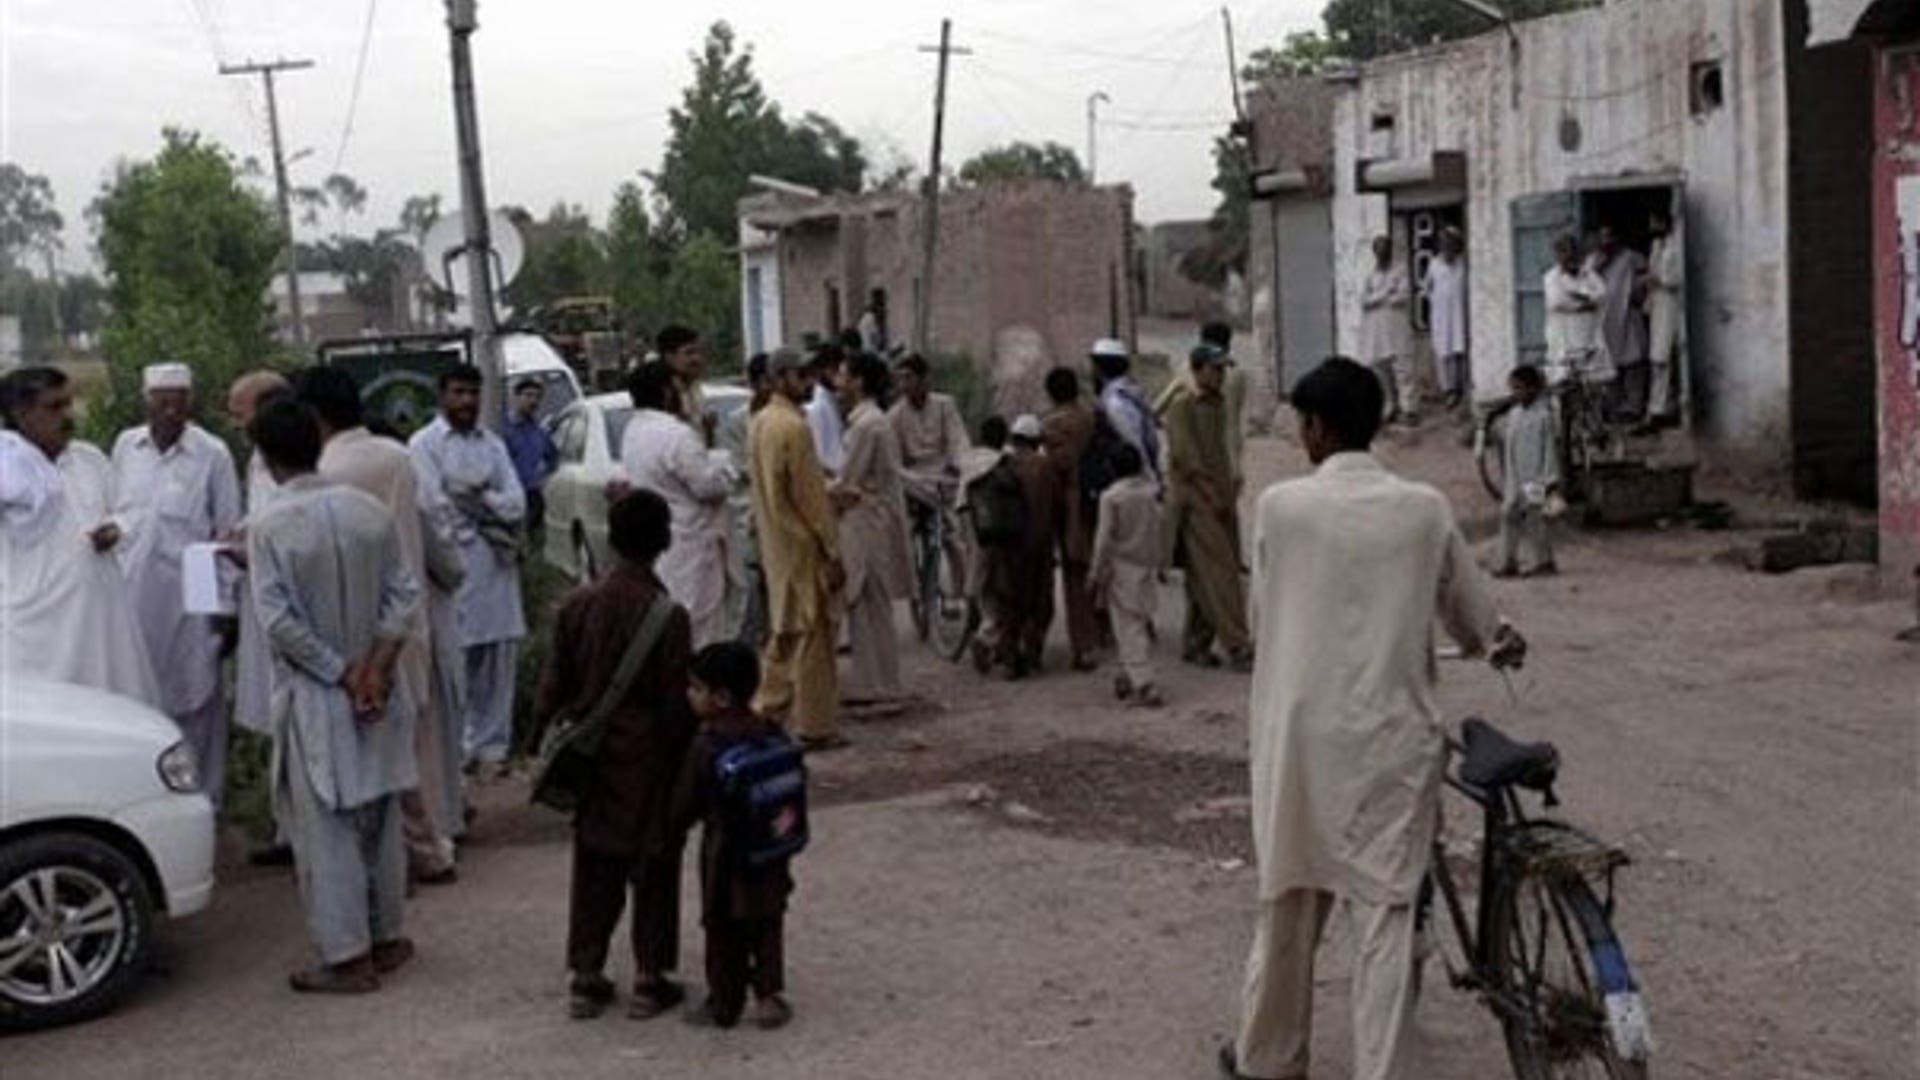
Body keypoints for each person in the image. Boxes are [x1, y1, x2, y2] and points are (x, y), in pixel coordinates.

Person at [1223, 356, 1525, 1080]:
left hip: (1297, 741)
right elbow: (1469, 610)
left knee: (1289, 897)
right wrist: (1495, 639)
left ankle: (1269, 1058)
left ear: (1318, 429)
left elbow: (1266, 616)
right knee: (1385, 916)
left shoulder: (1279, 509)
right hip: (1391, 740)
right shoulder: (1423, 508)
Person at [246, 398, 422, 994]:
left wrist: (343, 672)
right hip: (379, 687)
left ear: (266, 459)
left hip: (322, 695)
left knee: (328, 829)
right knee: (379, 815)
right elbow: (404, 596)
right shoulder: (368, 512)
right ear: (318, 442)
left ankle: (348, 957)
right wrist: (376, 665)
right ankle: (386, 936)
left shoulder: (269, 526)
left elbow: (280, 623)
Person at [536, 489, 697, 1022]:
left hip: (594, 755)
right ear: (664, 541)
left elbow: (554, 684)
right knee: (654, 863)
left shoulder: (579, 604)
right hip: (649, 756)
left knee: (596, 863)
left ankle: (586, 974)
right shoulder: (668, 616)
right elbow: (677, 704)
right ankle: (651, 978)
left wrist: (541, 738)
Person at [298, 366, 458, 885]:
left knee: (368, 752)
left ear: (314, 415)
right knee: (417, 739)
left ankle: (394, 859)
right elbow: (435, 528)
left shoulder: (322, 471)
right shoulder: (399, 457)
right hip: (408, 619)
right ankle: (430, 846)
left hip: (350, 628)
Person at [112, 362, 244, 807]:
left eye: (179, 398)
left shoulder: (213, 453)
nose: (170, 408)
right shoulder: (126, 447)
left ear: (190, 400)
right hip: (135, 598)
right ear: (145, 399)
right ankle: (152, 803)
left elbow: (227, 532)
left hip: (194, 599)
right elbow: (118, 516)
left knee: (199, 699)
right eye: (161, 398)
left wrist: (226, 611)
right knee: (141, 700)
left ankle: (207, 804)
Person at [0, 366, 159, 704]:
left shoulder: (89, 459)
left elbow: (128, 511)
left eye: (68, 404)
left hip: (99, 622)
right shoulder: (7, 469)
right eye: (54, 407)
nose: (68, 416)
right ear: (21, 414)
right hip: (35, 631)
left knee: (113, 710)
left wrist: (117, 528)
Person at [671, 641, 798, 1031]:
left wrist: (669, 830)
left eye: (696, 688)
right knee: (767, 921)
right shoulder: (770, 730)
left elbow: (685, 803)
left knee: (721, 926)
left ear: (721, 696)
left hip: (723, 853)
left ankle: (723, 1003)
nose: (690, 696)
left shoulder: (707, 743)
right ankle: (769, 996)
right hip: (771, 849)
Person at [409, 367, 526, 778]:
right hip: (452, 569)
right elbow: (433, 506)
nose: (467, 402)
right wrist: (480, 503)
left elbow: (516, 503)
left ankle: (493, 748)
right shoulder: (423, 445)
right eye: (459, 392)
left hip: (495, 564)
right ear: (442, 395)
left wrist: (479, 498)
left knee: (498, 658)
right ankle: (458, 751)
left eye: (473, 393)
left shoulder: (492, 444)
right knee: (456, 663)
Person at [749, 348, 847, 752]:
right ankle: (815, 725)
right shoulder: (792, 426)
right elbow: (809, 498)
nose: (809, 383)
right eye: (801, 376)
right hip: (804, 544)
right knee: (814, 635)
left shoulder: (761, 421)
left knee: (786, 633)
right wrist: (833, 549)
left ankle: (763, 713)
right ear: (780, 378)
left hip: (778, 542)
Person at [619, 361, 732, 648]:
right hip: (691, 541)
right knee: (700, 627)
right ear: (667, 392)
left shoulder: (633, 432)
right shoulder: (676, 435)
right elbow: (707, 487)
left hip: (661, 542)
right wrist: (723, 473)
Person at [831, 352, 913, 705]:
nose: (837, 381)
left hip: (866, 521)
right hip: (871, 518)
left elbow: (849, 480)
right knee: (868, 604)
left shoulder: (867, 425)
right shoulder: (870, 421)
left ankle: (876, 684)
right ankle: (878, 681)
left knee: (867, 601)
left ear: (859, 381)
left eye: (843, 374)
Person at [1165, 345, 1253, 672]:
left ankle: (1196, 642)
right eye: (1214, 369)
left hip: (1221, 498)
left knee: (1205, 574)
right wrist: (1210, 493)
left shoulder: (1218, 405)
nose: (1220, 375)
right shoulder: (1182, 406)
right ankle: (1238, 646)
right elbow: (1186, 458)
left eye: (1222, 370)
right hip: (1198, 501)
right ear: (1198, 370)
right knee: (1221, 575)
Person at [888, 352, 974, 615]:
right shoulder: (895, 415)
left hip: (944, 478)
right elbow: (893, 458)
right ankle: (915, 589)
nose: (904, 385)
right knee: (902, 534)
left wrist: (959, 464)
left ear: (924, 379)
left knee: (956, 536)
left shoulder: (945, 405)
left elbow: (958, 440)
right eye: (900, 379)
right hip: (914, 482)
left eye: (909, 378)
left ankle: (959, 593)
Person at [972, 414, 1057, 679]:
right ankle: (1030, 654)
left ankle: (1007, 656)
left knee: (1009, 603)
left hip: (1006, 544)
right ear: (1036, 440)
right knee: (1039, 603)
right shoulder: (1043, 467)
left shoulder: (1003, 464)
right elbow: (1054, 506)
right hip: (1038, 545)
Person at [1088, 443, 1163, 707]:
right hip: (1146, 564)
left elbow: (1103, 537)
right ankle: (1127, 675)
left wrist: (1095, 571)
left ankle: (1144, 682)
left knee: (1127, 625)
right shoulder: (1150, 493)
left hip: (1121, 567)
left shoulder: (1111, 498)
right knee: (1137, 622)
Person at [1041, 366, 1102, 671]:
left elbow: (1055, 467)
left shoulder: (1051, 425)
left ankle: (1083, 646)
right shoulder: (1090, 417)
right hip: (1096, 501)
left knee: (1073, 575)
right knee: (1094, 568)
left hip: (1069, 507)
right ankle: (1098, 635)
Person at [1153, 322, 1249, 487]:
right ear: (1228, 344)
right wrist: (1236, 466)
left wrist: (1170, 428)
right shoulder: (1237, 375)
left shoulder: (1185, 370)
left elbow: (1155, 410)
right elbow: (1233, 423)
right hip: (1223, 457)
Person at [718, 354, 772, 645]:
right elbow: (739, 469)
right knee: (751, 587)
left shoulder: (791, 416)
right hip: (748, 512)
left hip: (778, 514)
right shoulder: (738, 422)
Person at [1495, 364, 1561, 579]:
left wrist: (1550, 478)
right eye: (1513, 388)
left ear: (1533, 389)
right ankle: (1508, 560)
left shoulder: (1544, 416)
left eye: (1519, 388)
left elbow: (1549, 449)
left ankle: (1544, 560)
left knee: (1536, 519)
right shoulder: (1513, 415)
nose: (1516, 393)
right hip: (1515, 475)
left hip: (1536, 476)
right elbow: (1508, 447)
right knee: (1508, 515)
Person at [1587, 225, 1649, 417]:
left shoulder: (1631, 257)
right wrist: (1600, 264)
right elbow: (1585, 282)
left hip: (1628, 317)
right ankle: (1613, 408)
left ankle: (1634, 407)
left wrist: (1638, 294)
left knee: (1633, 363)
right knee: (1609, 367)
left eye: (1610, 237)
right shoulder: (1593, 260)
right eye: (1603, 237)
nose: (1607, 241)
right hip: (1605, 321)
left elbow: (1646, 276)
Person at [1090, 338, 1162, 486]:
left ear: (1100, 368)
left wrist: (1151, 481)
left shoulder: (1116, 403)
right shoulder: (1130, 390)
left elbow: (1135, 442)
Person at [1360, 235, 1415, 424]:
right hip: (1376, 330)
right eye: (1379, 252)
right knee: (1380, 369)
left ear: (1390, 251)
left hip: (1397, 327)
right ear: (1375, 254)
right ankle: (1389, 406)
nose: (1382, 255)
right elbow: (1364, 301)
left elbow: (1403, 297)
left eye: (1385, 251)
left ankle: (1408, 409)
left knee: (1403, 369)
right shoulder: (1370, 275)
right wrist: (1385, 293)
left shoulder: (1400, 271)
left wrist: (1382, 297)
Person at [1543, 232, 1609, 387]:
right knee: (1565, 381)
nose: (1568, 255)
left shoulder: (1588, 274)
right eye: (1563, 251)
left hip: (1587, 334)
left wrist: (1580, 297)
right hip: (1563, 337)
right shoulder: (1551, 277)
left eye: (1571, 250)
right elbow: (1557, 301)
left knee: (1591, 382)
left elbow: (1602, 294)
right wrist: (1585, 303)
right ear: (1557, 255)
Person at [502, 378, 559, 552]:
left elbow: (553, 456)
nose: (533, 401)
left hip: (534, 496)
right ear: (516, 397)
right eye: (528, 395)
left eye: (537, 397)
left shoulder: (538, 430)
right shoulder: (503, 428)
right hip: (511, 497)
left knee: (535, 546)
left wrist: (546, 476)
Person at [1641, 210, 1685, 427]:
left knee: (1664, 357)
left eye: (1654, 222)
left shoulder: (1674, 247)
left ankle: (1662, 408)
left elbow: (1673, 279)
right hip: (1658, 306)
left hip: (1669, 306)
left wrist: (1653, 279)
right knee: (1658, 359)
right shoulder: (1658, 246)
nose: (1651, 227)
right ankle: (1658, 406)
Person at [1422, 228, 1470, 408]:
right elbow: (1427, 289)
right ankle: (1447, 389)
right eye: (1445, 244)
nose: (1448, 247)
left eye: (1452, 243)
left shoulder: (1462, 264)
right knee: (1443, 352)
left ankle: (1460, 387)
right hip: (1441, 315)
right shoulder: (1434, 265)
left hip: (1459, 313)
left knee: (1459, 350)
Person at [657, 324, 712, 443]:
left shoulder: (694, 388)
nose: (697, 358)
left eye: (699, 352)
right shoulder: (661, 392)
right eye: (689, 353)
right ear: (669, 356)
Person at [803, 344, 846, 477]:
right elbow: (818, 456)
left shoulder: (835, 401)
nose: (840, 375)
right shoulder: (817, 407)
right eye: (835, 369)